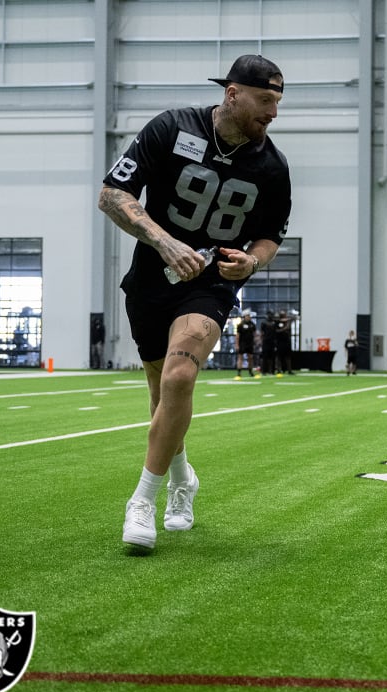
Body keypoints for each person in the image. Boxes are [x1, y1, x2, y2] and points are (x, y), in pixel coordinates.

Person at [99, 54, 291, 553]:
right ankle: (184, 477)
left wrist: (250, 263)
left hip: (210, 283)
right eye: (265, 101)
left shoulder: (272, 165)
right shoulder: (172, 127)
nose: (273, 113)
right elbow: (112, 195)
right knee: (162, 396)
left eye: (278, 102)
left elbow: (270, 235)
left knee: (180, 376)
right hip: (152, 275)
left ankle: (142, 499)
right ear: (233, 94)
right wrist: (164, 242)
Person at [234, 310, 258, 378]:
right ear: (244, 316)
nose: (249, 317)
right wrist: (237, 344)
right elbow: (237, 335)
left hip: (250, 344)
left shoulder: (252, 324)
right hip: (242, 344)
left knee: (250, 357)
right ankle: (239, 373)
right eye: (247, 316)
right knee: (240, 357)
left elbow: (255, 334)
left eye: (249, 316)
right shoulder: (240, 325)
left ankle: (250, 372)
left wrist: (255, 341)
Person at [274, 309, 293, 376]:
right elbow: (276, 331)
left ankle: (289, 370)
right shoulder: (277, 322)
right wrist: (284, 329)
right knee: (279, 356)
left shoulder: (287, 322)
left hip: (286, 341)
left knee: (288, 356)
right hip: (279, 341)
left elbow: (289, 324)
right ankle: (278, 370)